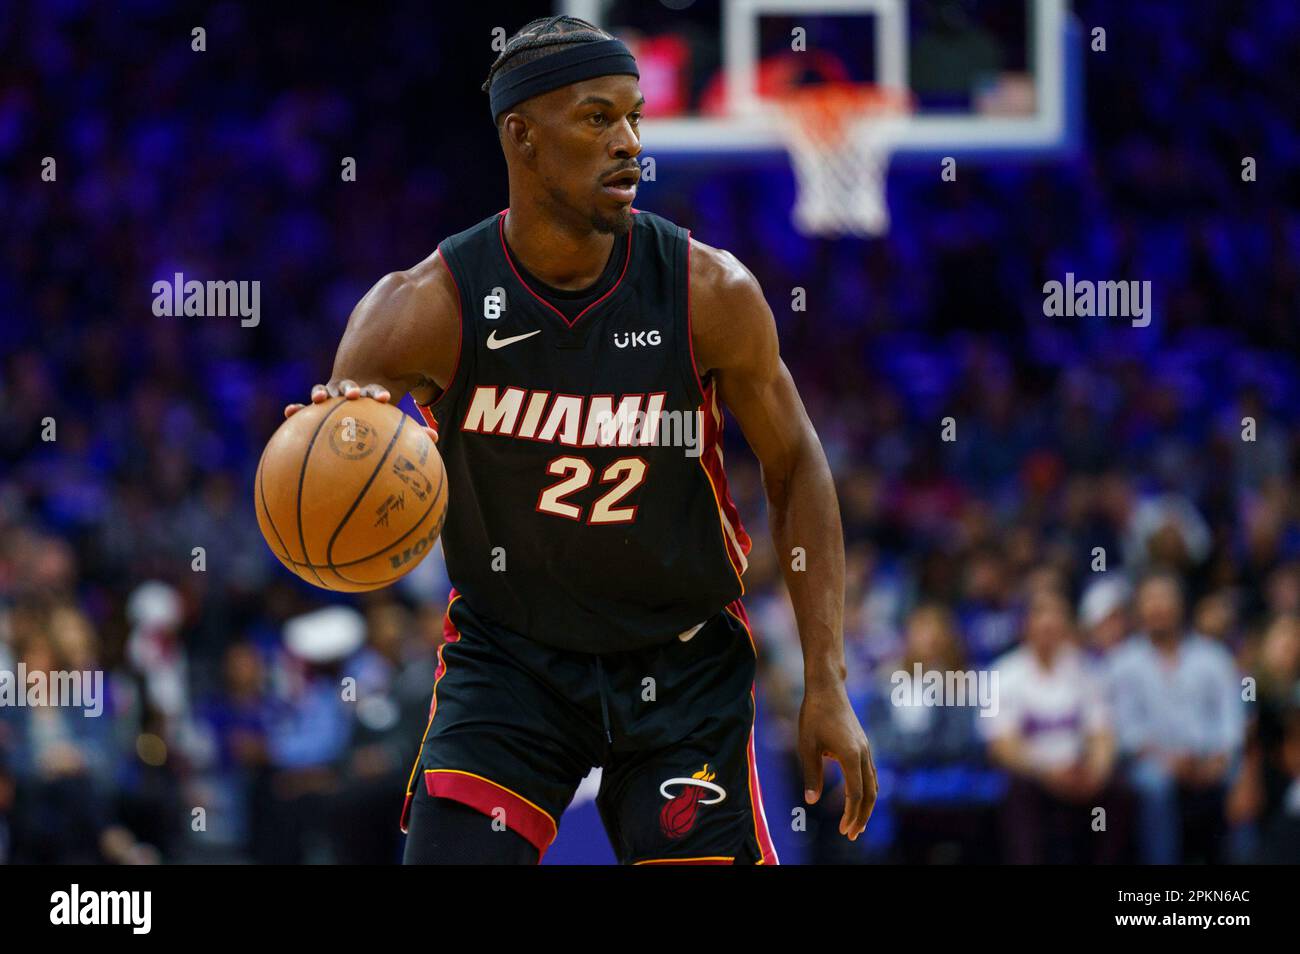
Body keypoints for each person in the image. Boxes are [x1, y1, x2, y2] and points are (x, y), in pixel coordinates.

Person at [283, 15, 874, 865]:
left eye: (635, 117)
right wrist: (331, 443)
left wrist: (827, 678)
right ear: (521, 136)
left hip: (681, 664)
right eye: (599, 119)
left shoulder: (710, 292)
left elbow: (797, 464)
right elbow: (336, 468)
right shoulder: (421, 310)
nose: (630, 141)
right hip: (512, 660)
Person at [1107, 570, 1245, 863]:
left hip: (1210, 758)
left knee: (1243, 778)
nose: (1158, 607)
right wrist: (1168, 760)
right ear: (1139, 609)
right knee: (1154, 784)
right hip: (1151, 761)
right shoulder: (1122, 662)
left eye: (1165, 598)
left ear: (1182, 605)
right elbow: (1125, 731)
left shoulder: (1214, 657)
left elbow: (1232, 720)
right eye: (1150, 599)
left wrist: (1219, 759)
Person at [983, 589, 1122, 863]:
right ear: (1025, 624)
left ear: (1067, 622)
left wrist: (1097, 770)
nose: (1048, 622)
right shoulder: (1001, 673)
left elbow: (1102, 732)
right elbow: (1001, 746)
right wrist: (1049, 772)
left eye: (1056, 614)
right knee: (1019, 791)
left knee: (1119, 790)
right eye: (1039, 613)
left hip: (1078, 771)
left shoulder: (1087, 669)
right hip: (1034, 774)